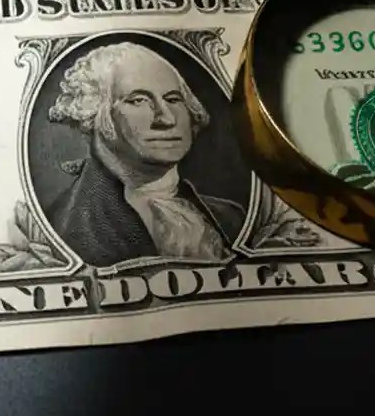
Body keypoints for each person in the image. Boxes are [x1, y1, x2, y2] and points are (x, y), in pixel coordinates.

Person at [43, 41, 245, 267]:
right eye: (138, 100)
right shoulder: (69, 230)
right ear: (93, 113)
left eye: (173, 99)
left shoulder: (230, 217)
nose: (166, 119)